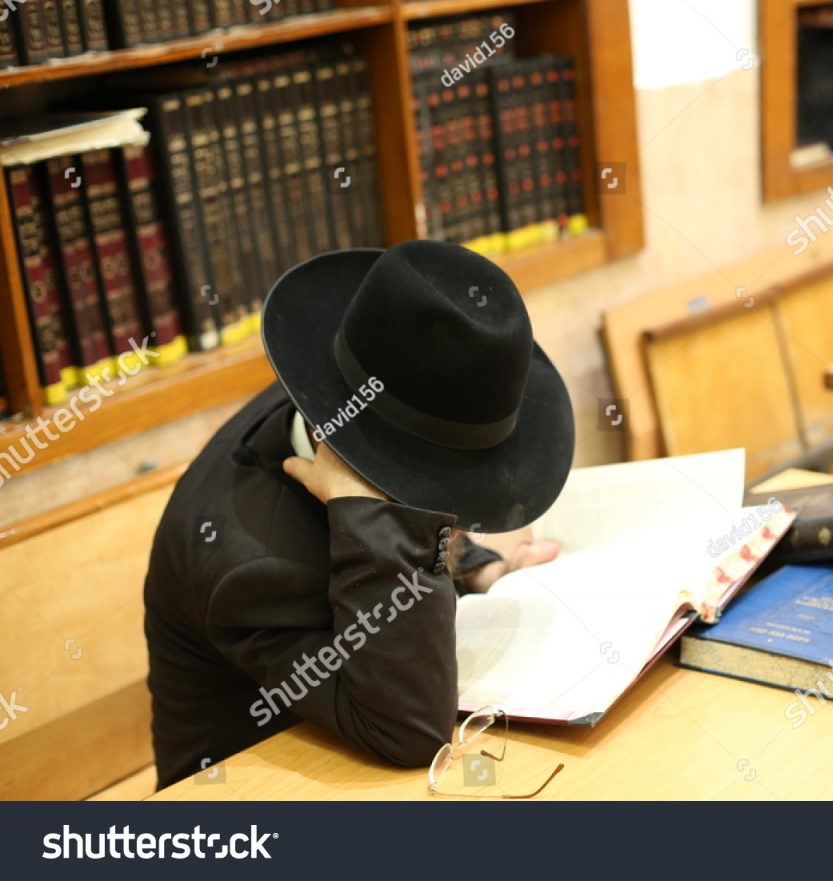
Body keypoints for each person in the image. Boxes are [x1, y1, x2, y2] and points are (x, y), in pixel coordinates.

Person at [143, 241, 575, 790]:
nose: (463, 499)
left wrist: (477, 570)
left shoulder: (348, 396)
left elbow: (427, 513)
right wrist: (362, 511)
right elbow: (408, 728)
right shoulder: (252, 568)